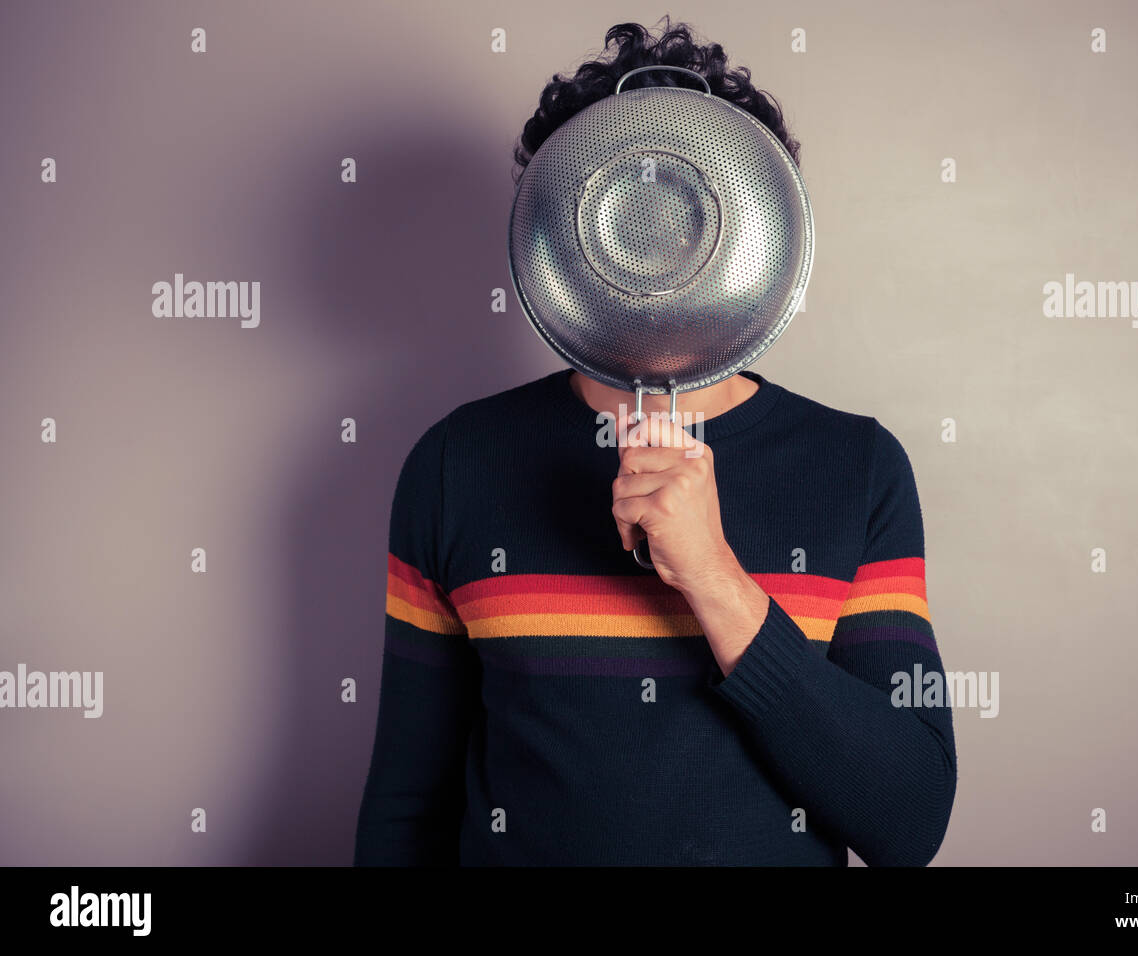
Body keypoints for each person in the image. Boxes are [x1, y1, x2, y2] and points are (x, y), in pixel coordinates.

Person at [354, 17, 957, 867]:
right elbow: (406, 809)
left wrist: (713, 577)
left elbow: (910, 817)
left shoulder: (857, 469)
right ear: (560, 218)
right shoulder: (457, 463)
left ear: (758, 222)